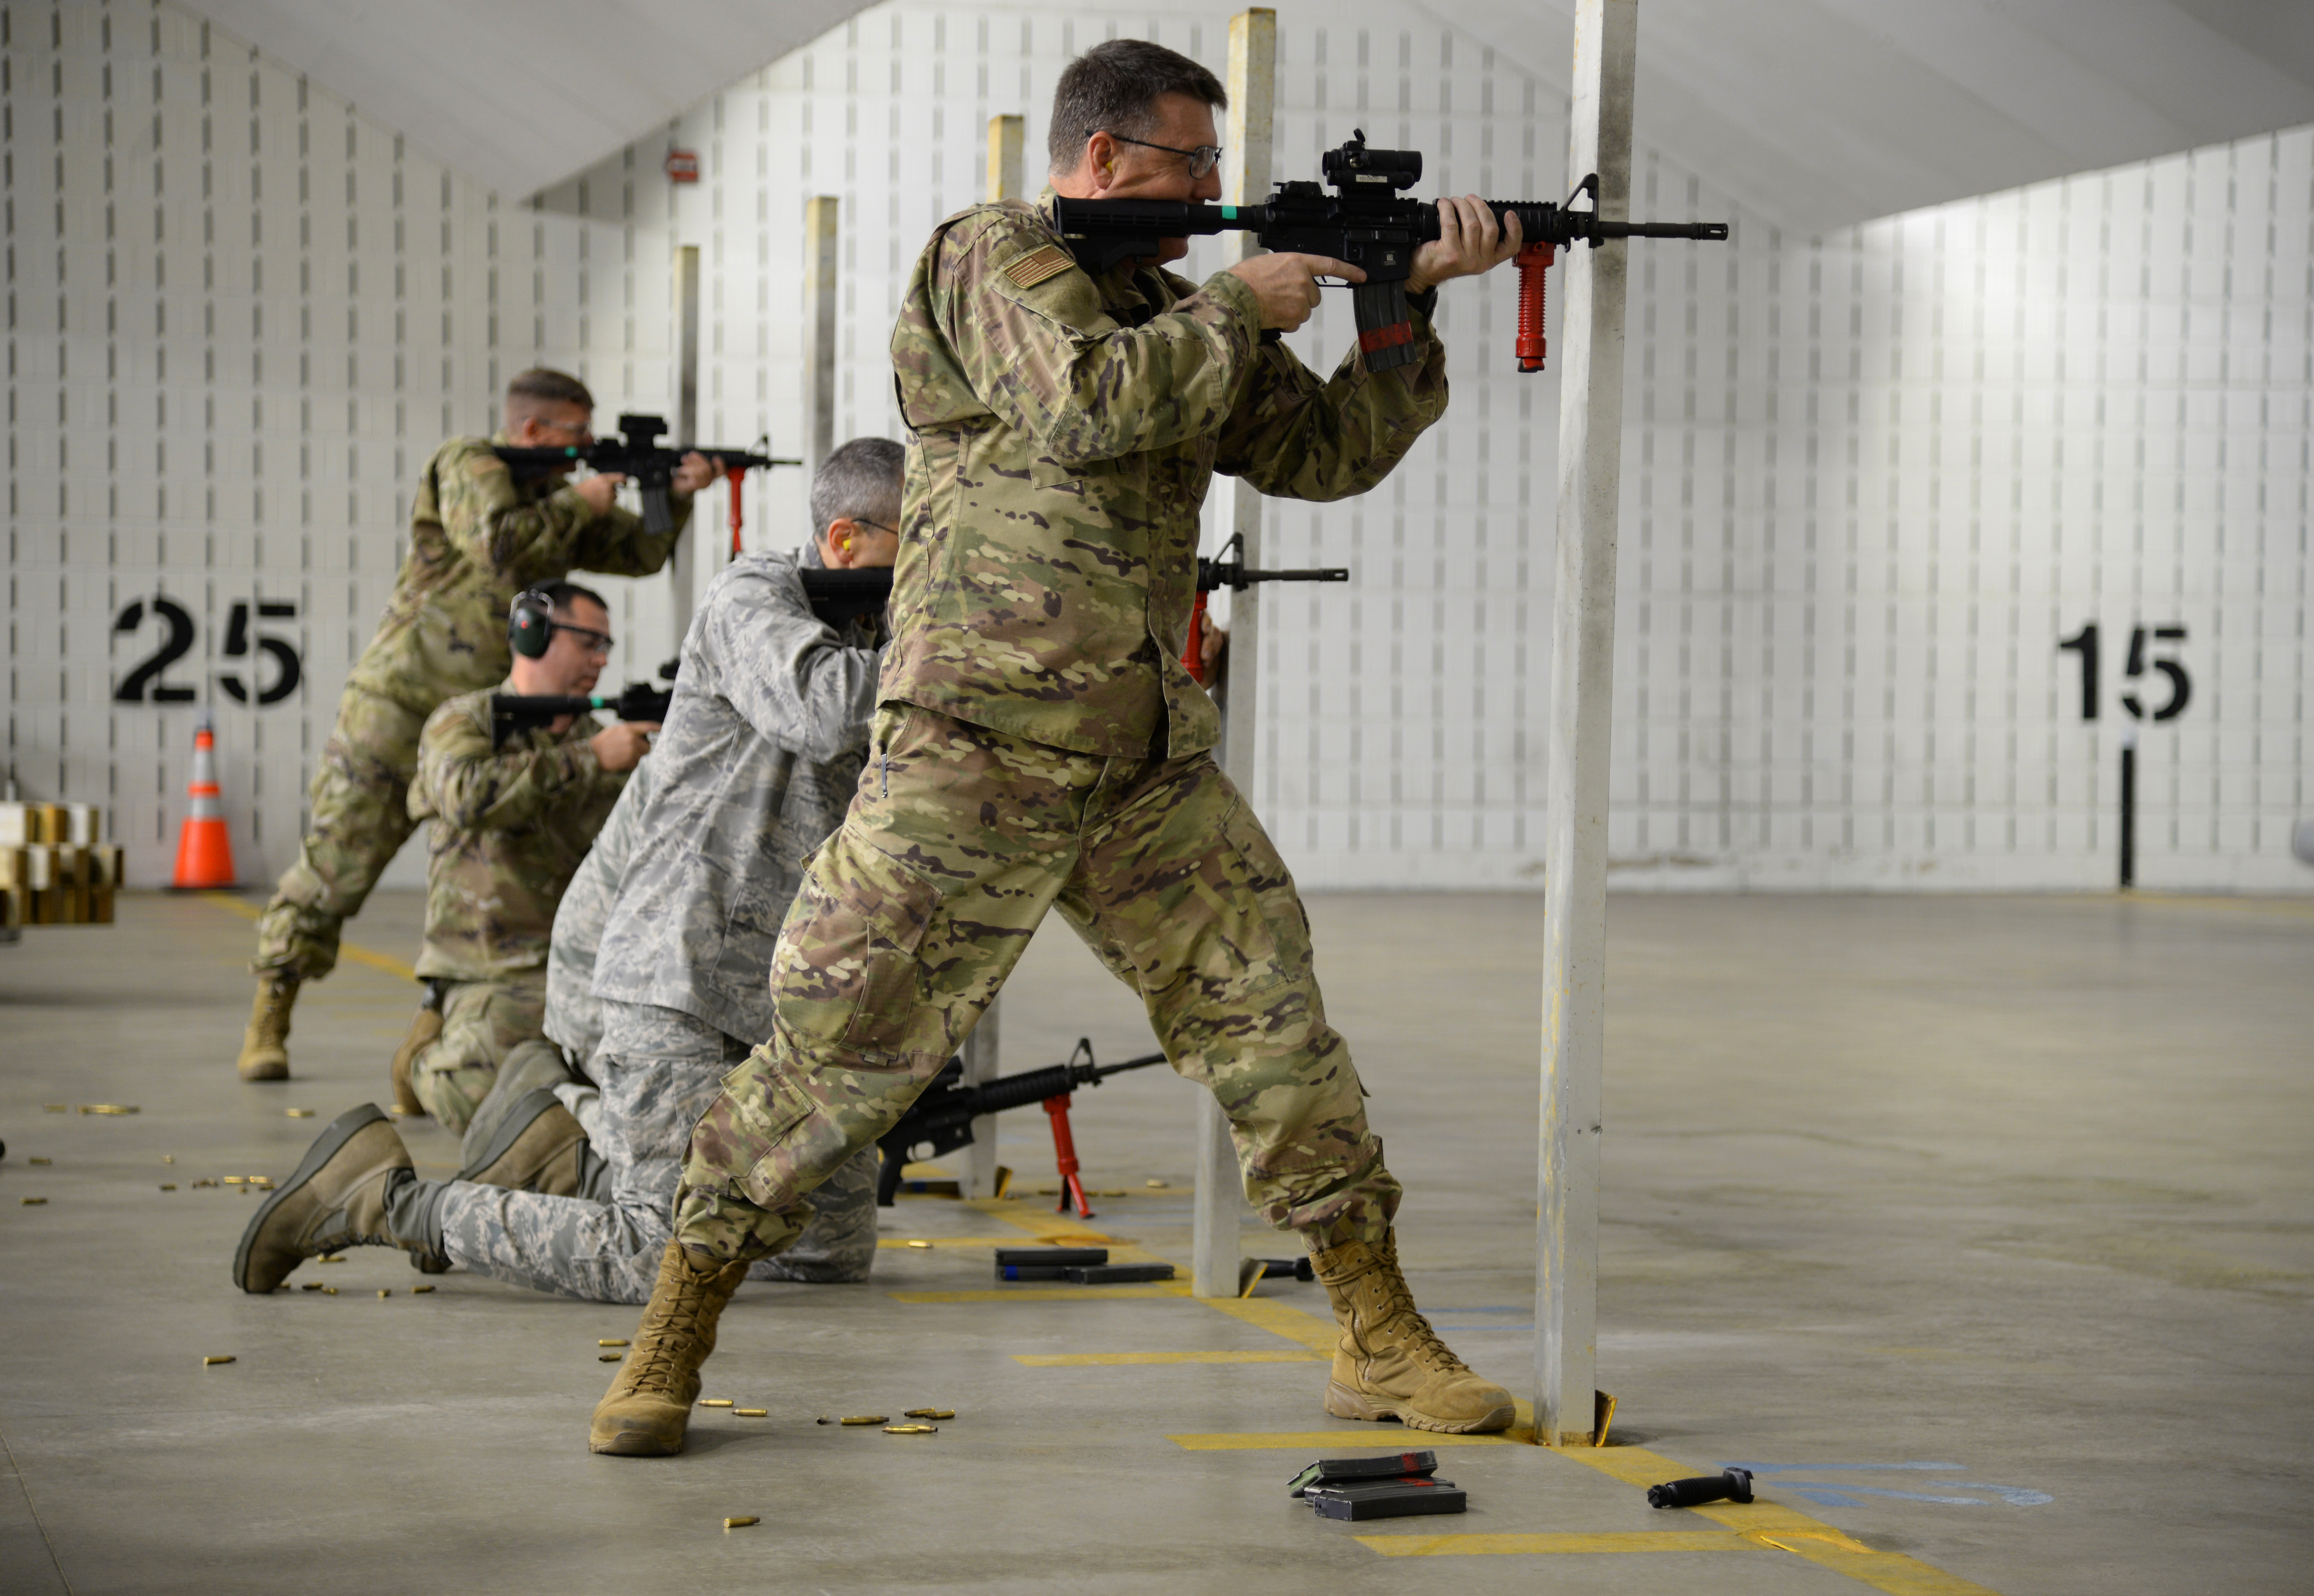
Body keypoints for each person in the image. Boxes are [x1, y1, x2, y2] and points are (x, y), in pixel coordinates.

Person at [576, 39, 1525, 1457]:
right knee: (834, 1050)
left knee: (1275, 1030)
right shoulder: (990, 252)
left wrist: (1394, 307)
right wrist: (1236, 303)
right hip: (971, 750)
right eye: (1192, 163)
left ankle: (1378, 1335)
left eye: (1215, 164)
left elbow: (1323, 455)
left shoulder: (1169, 302)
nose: (1215, 188)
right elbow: (1079, 401)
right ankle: (672, 1332)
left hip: (1138, 762)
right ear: (1101, 159)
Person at [232, 441, 902, 1302]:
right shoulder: (754, 595)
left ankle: (574, 1151)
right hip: (677, 980)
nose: (936, 567)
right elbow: (825, 709)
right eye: (918, 542)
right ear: (844, 541)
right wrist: (967, 646)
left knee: (825, 1253)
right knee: (652, 1255)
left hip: (784, 998)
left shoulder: (879, 630)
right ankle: (384, 1202)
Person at [232, 369, 721, 1084]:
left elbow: (636, 555)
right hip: (401, 703)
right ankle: (273, 1004)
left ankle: (435, 1029)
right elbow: (499, 544)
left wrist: (673, 498)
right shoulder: (473, 464)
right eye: (576, 434)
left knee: (485, 881)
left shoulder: (550, 499)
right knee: (341, 861)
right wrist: (578, 498)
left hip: (488, 719)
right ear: (532, 432)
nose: (588, 447)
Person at [387, 580, 656, 1136]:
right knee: (490, 1104)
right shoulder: (465, 722)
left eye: (605, 645)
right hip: (489, 964)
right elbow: (466, 796)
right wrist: (588, 760)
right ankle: (421, 1061)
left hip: (578, 968)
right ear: (532, 636)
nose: (601, 659)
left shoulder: (601, 741)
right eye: (588, 642)